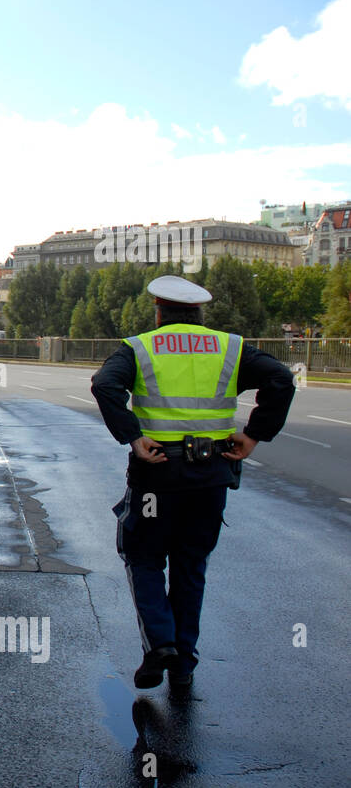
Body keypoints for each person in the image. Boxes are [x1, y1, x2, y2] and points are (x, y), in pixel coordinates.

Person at [91, 275, 294, 693]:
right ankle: (184, 661)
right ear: (201, 313)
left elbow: (104, 384)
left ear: (159, 311)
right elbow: (281, 379)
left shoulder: (141, 347)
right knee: (190, 564)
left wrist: (133, 435)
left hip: (157, 473)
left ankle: (160, 644)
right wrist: (254, 435)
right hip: (211, 474)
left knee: (143, 556)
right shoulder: (230, 347)